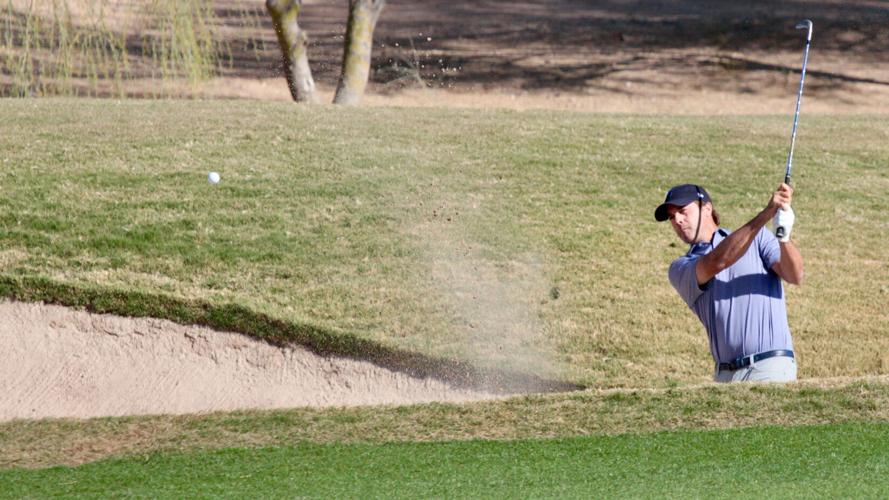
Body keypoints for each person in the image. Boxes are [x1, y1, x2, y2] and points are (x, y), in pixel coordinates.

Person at [654, 183, 804, 382]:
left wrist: (784, 238)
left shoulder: (759, 238)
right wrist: (766, 214)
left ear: (706, 208)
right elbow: (718, 261)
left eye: (682, 211)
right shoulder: (680, 267)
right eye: (672, 217)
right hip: (725, 376)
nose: (677, 221)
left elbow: (795, 275)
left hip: (770, 367)